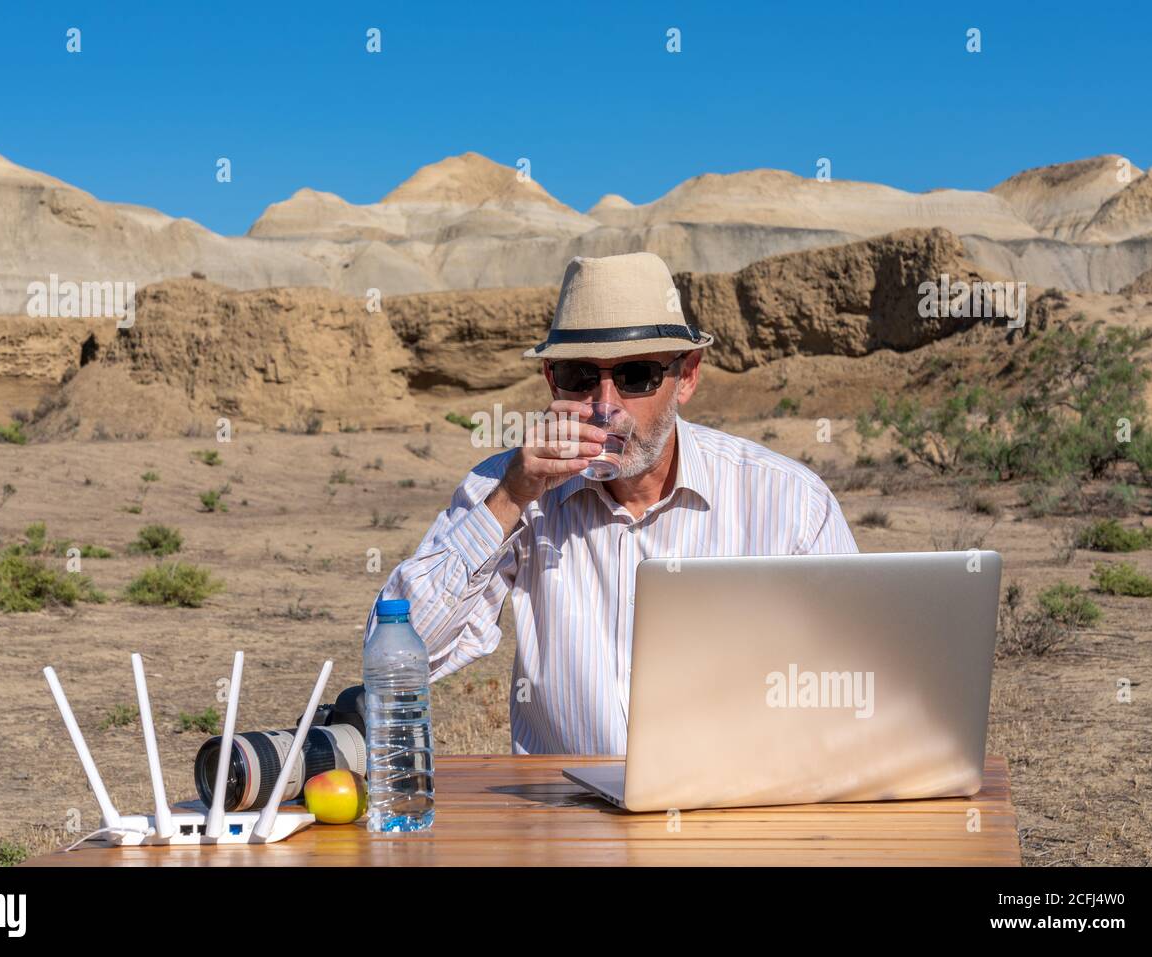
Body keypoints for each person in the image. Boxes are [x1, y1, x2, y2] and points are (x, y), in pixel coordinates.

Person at [368, 251, 858, 754]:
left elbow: (855, 683)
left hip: (731, 811)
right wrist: (510, 500)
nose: (605, 405)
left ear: (686, 376)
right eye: (580, 376)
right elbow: (399, 662)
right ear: (550, 380)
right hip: (563, 818)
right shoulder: (511, 487)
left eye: (636, 375)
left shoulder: (790, 501)